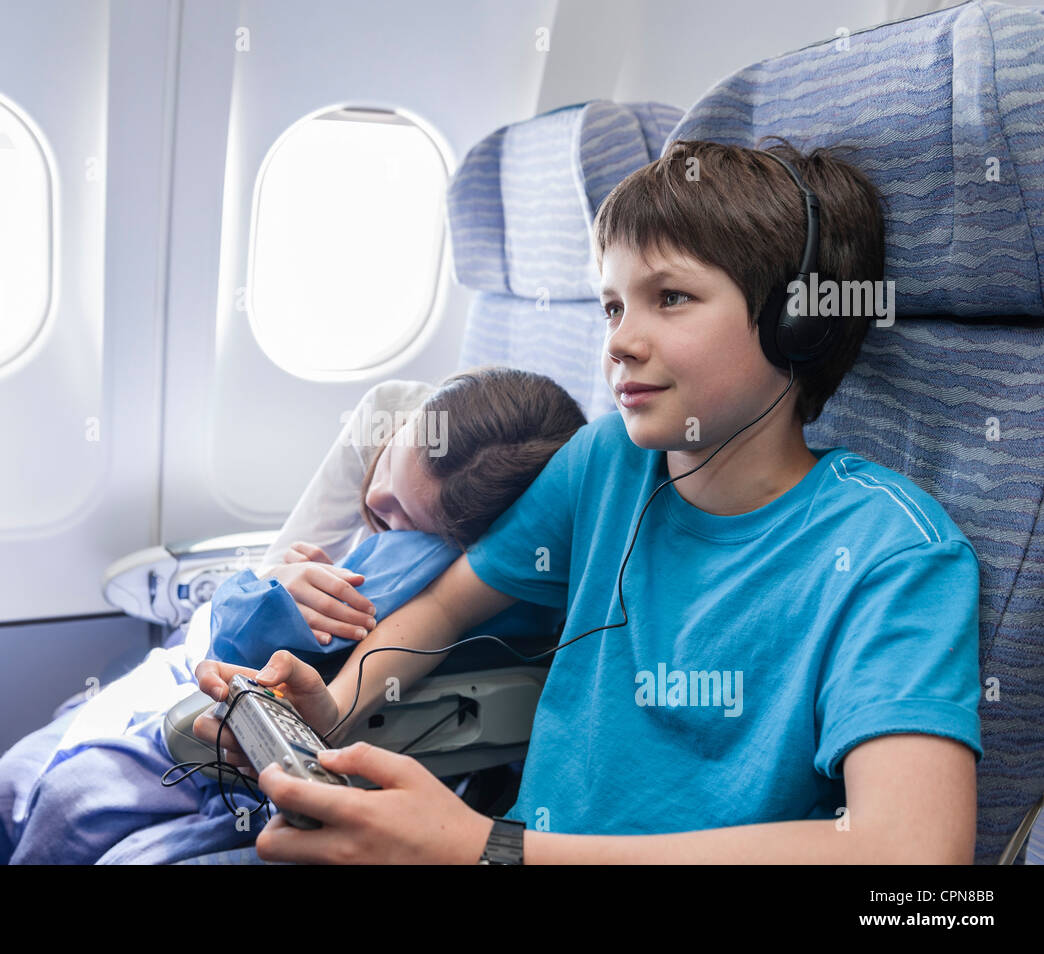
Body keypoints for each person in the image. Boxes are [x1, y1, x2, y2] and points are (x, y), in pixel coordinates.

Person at [191, 138, 983, 864]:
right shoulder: (605, 463)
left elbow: (910, 852)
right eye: (612, 305)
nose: (618, 342)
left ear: (795, 324)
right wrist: (334, 706)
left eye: (670, 298)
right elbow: (440, 612)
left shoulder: (893, 551)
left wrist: (491, 849)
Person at [0, 366, 587, 864]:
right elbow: (276, 561)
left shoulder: (460, 561)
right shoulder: (396, 412)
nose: (375, 502)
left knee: (58, 807)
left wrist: (272, 604)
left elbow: (273, 639)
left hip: (244, 674)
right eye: (389, 469)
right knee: (5, 793)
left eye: (403, 523)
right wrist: (277, 577)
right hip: (204, 645)